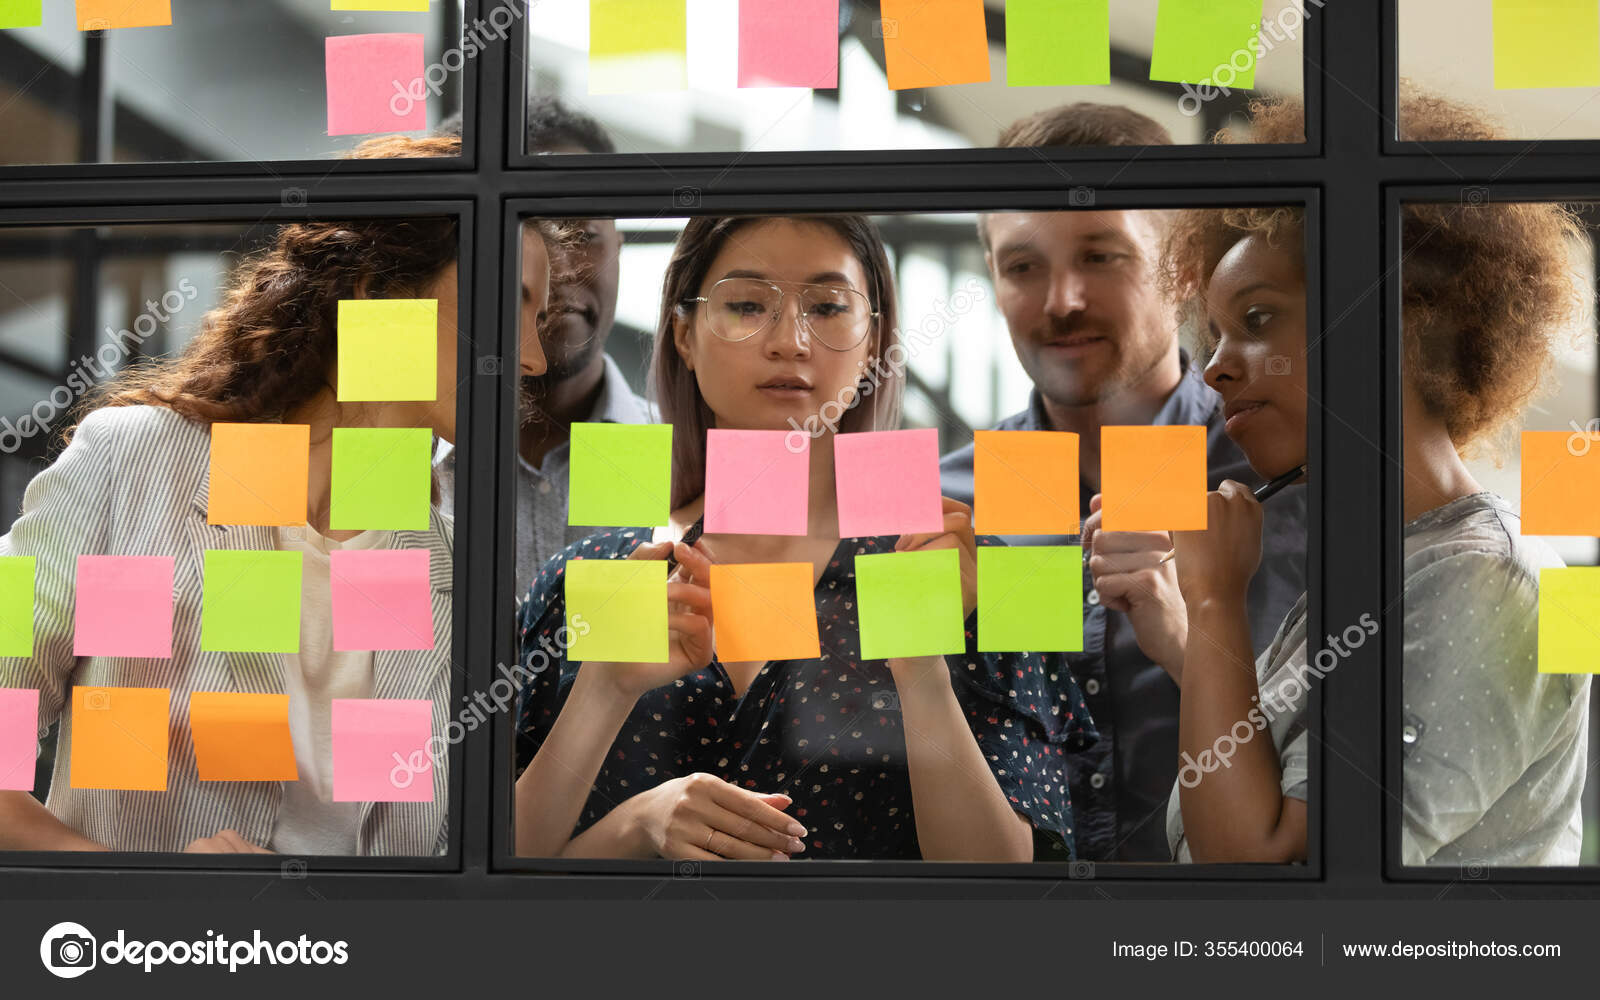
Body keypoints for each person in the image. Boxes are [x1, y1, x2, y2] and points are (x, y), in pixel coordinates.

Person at [0, 134, 561, 855]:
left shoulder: (445, 562)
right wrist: (143, 896)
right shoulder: (136, 466)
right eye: (507, 302)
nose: (532, 356)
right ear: (375, 293)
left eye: (540, 320)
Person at [513, 215, 1096, 862]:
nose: (789, 342)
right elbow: (496, 879)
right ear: (683, 334)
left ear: (874, 342)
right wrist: (636, 827)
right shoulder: (586, 575)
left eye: (827, 307)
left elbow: (1014, 887)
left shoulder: (964, 571)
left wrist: (922, 668)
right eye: (744, 305)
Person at [1156, 95, 1590, 865]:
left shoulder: (1488, 582)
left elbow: (1261, 874)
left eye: (1257, 321)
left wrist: (1216, 600)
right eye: (1215, 335)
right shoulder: (1384, 564)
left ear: (1389, 320)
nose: (1216, 368)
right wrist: (1189, 632)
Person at [939, 103, 1306, 862]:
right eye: (1022, 266)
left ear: (1180, 271)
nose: (1061, 300)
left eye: (1101, 256)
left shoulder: (1284, 480)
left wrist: (1195, 637)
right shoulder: (949, 509)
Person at [435, 97, 650, 598]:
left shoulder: (693, 463)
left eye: (583, 235)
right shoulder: (385, 466)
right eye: (522, 235)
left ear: (618, 245)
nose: (561, 268)